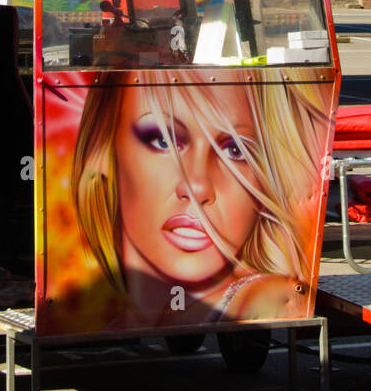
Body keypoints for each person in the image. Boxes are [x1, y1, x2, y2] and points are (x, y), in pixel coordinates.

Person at [71, 69, 329, 328]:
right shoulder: (98, 318)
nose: (197, 186)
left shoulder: (269, 297)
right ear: (101, 151)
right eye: (163, 140)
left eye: (235, 150)